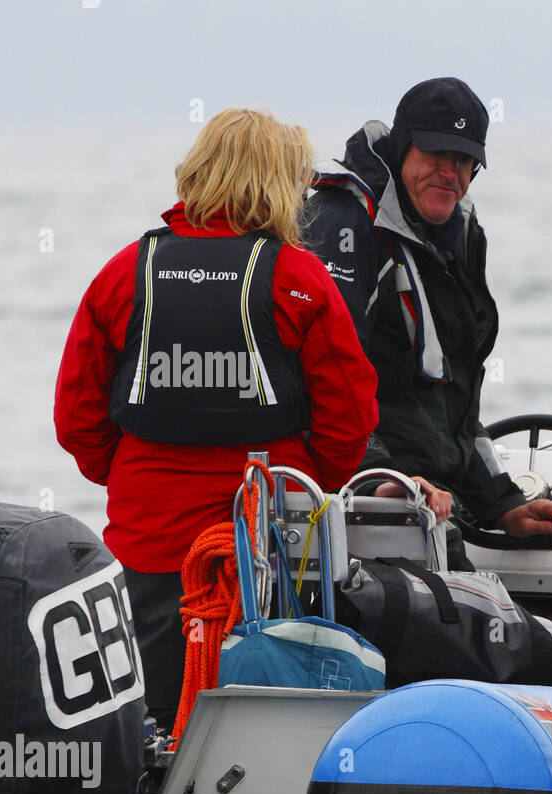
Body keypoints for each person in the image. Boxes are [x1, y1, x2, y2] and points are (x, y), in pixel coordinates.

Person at [55, 108, 379, 731]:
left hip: (143, 559)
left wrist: (138, 478)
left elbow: (77, 420)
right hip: (267, 563)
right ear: (277, 183)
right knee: (261, 734)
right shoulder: (301, 280)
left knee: (143, 732)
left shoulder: (124, 274)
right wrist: (303, 476)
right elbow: (349, 424)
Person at [304, 77, 552, 563]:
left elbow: (453, 403)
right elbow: (320, 381)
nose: (452, 173)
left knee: (532, 634)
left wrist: (503, 503)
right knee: (495, 637)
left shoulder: (460, 233)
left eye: (466, 161)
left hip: (428, 505)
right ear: (404, 146)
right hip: (362, 513)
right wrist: (383, 481)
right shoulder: (341, 222)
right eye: (437, 156)